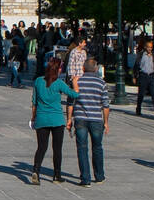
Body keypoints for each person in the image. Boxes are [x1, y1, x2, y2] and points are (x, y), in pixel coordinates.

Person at [30, 57, 79, 185]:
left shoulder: (38, 81)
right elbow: (74, 95)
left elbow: (34, 102)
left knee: (41, 147)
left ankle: (36, 170)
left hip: (41, 118)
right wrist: (75, 84)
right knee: (57, 149)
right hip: (57, 119)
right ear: (58, 69)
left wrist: (33, 117)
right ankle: (57, 175)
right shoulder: (59, 83)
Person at [71, 57, 110, 186]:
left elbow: (72, 101)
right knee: (97, 147)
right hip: (96, 119)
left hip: (80, 117)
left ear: (83, 68)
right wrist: (106, 122)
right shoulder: (101, 83)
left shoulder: (78, 82)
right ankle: (99, 176)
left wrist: (69, 119)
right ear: (96, 69)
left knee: (82, 148)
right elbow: (105, 105)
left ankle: (85, 178)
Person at [133, 36, 154, 117]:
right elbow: (136, 66)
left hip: (151, 76)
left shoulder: (153, 55)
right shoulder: (141, 55)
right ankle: (138, 109)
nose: (150, 49)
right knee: (141, 94)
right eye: (148, 47)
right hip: (143, 75)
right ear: (145, 47)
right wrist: (134, 76)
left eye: (151, 47)